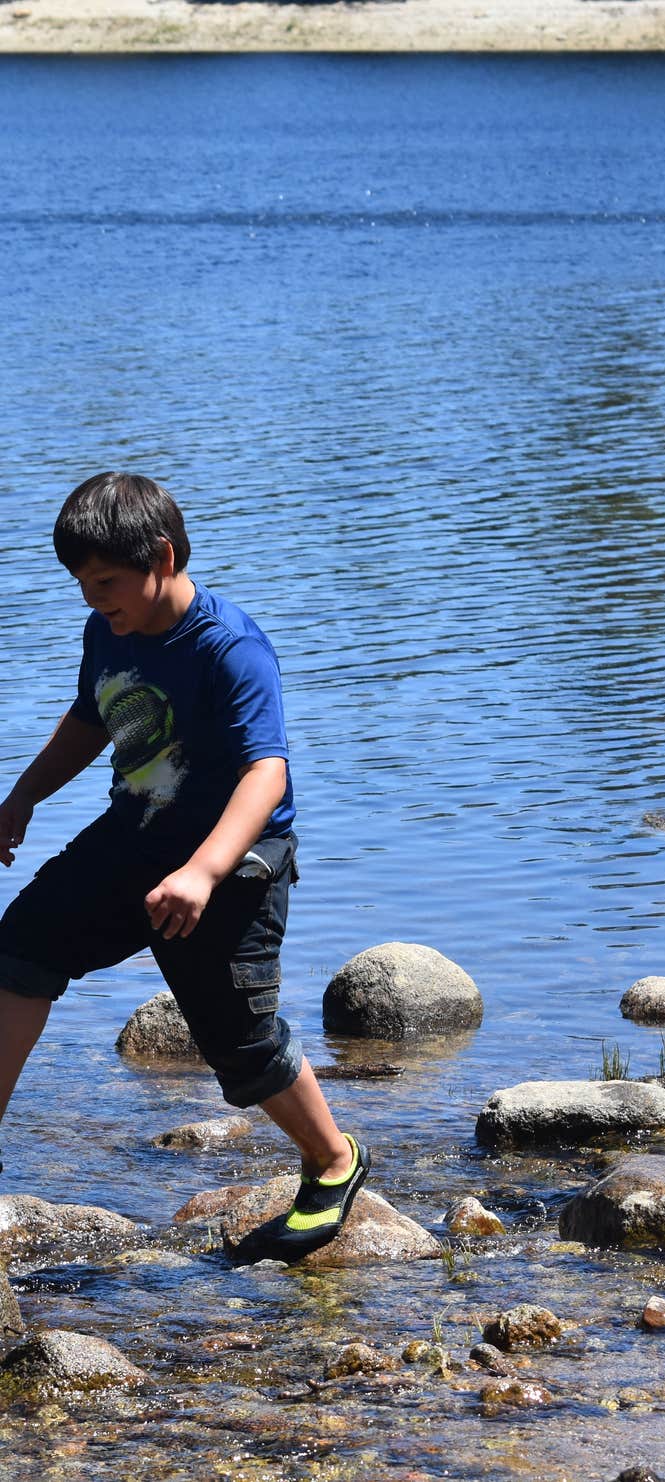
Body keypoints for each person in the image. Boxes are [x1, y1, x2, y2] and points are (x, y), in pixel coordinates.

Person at [0, 472, 368, 1257]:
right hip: (134, 838)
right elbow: (88, 720)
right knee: (20, 947)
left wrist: (202, 872)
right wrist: (22, 797)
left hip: (234, 863)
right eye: (81, 584)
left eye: (105, 582)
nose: (93, 600)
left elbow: (264, 773)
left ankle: (335, 1161)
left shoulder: (227, 646)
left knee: (237, 1039)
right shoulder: (111, 630)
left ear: (161, 556)